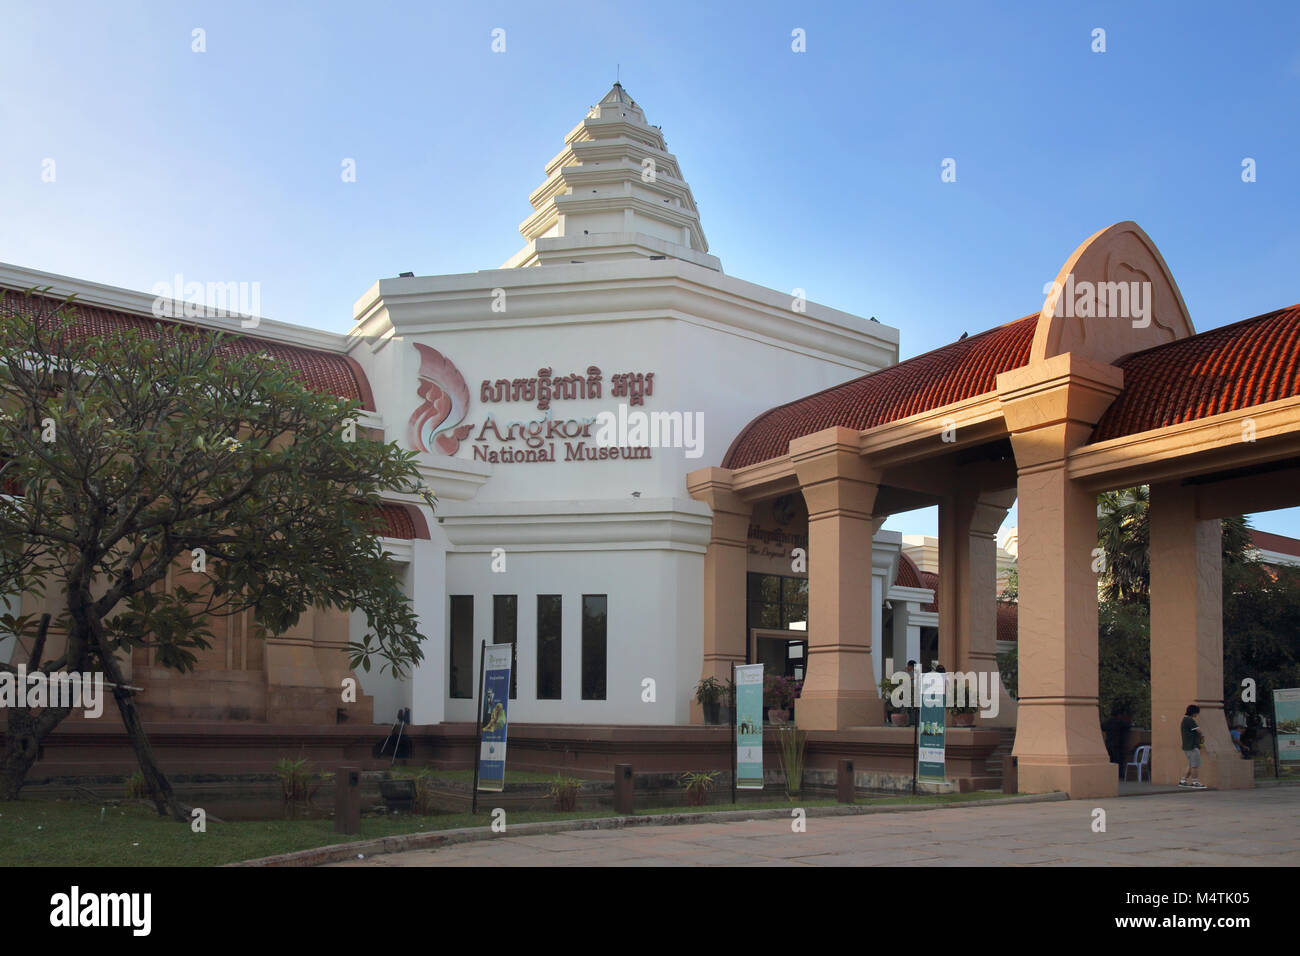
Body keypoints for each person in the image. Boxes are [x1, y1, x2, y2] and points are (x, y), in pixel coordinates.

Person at [1180, 704, 1207, 789]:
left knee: (1191, 764)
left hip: (1187, 746)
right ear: (1193, 712)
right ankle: (1195, 782)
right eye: (1196, 713)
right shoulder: (1189, 720)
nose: (1197, 715)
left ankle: (1183, 780)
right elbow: (1199, 730)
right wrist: (1202, 736)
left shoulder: (1184, 720)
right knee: (1195, 765)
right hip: (1192, 746)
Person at [1100, 708, 1132, 778]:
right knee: (1117, 761)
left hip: (1108, 743)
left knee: (1110, 760)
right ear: (1118, 715)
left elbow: (1102, 727)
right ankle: (1118, 775)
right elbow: (1128, 726)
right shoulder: (1119, 722)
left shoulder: (1107, 722)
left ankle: (1109, 775)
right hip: (1117, 744)